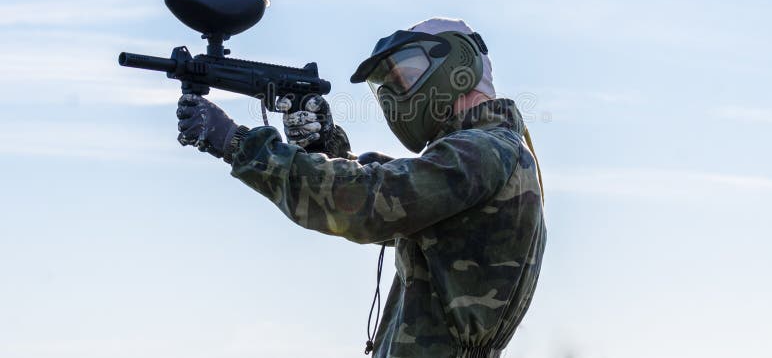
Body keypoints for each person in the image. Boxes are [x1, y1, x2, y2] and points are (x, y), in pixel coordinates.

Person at [176, 18, 546, 358]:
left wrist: (238, 143)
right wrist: (329, 150)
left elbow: (369, 203)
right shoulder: (486, 154)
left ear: (460, 67)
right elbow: (397, 192)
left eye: (406, 76)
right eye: (386, 86)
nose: (395, 93)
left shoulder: (486, 151)